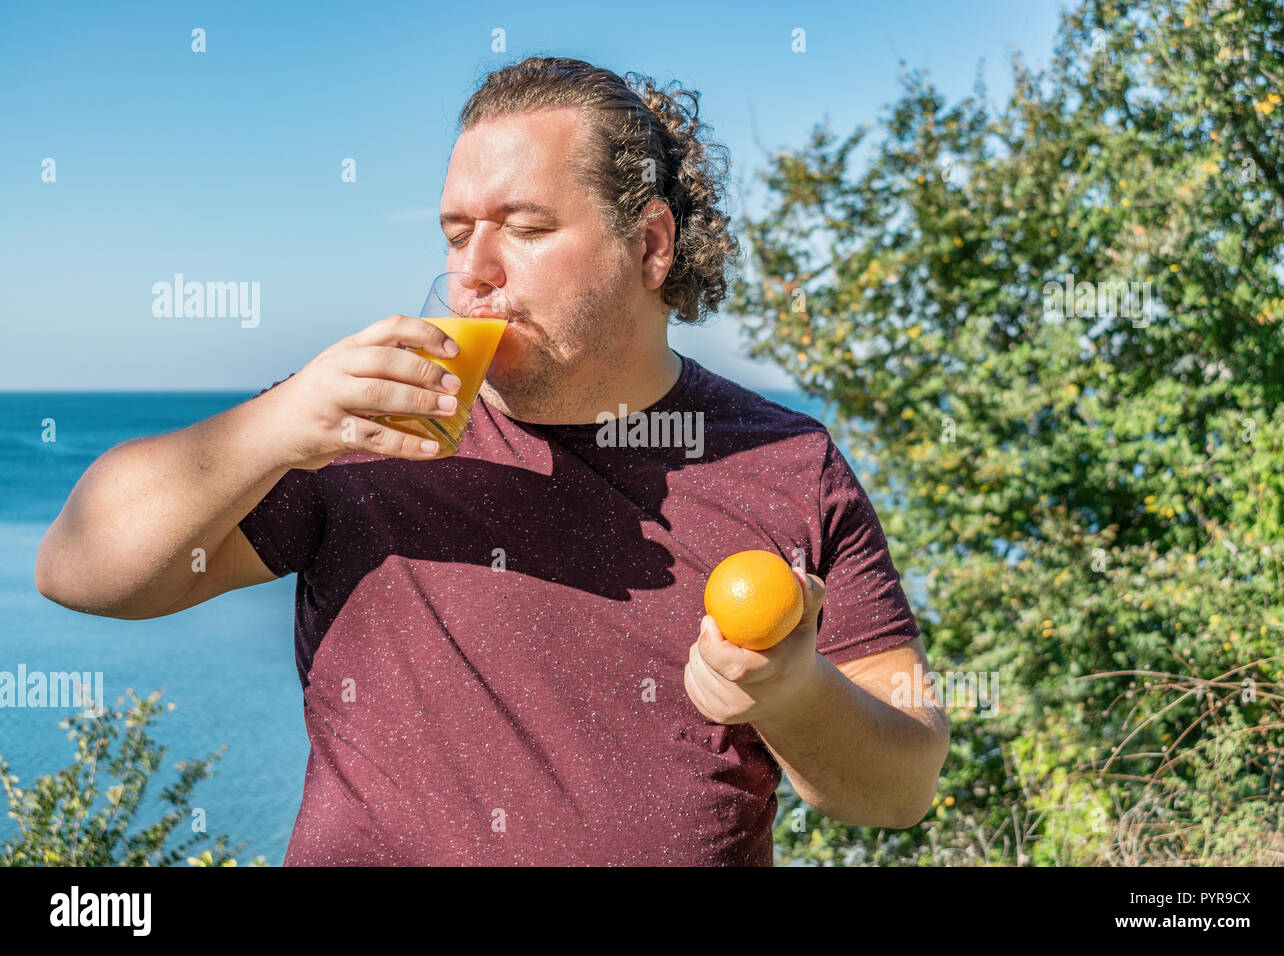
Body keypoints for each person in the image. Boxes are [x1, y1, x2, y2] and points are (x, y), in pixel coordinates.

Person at [35, 56, 948, 866]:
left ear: (652, 245)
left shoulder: (784, 461)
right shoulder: (366, 421)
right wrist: (272, 426)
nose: (474, 268)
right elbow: (80, 570)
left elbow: (900, 785)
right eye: (455, 230)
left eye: (525, 227)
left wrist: (791, 694)